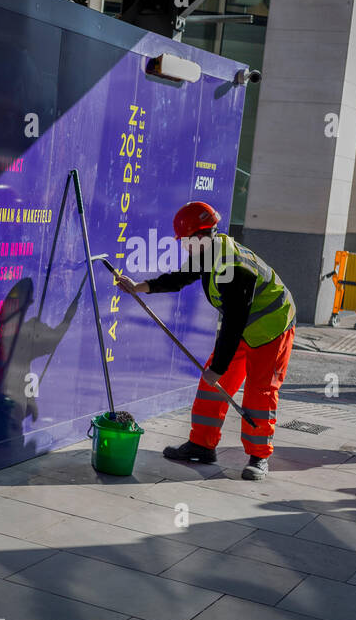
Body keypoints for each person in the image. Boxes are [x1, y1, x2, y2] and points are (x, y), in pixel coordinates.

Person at [113, 201, 296, 481]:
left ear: (199, 236)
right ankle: (202, 445)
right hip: (245, 328)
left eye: (184, 241)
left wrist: (219, 367)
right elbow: (179, 279)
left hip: (272, 329)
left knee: (259, 393)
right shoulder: (207, 251)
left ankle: (259, 457)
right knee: (211, 386)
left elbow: (233, 323)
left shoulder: (233, 266)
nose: (182, 246)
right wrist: (140, 286)